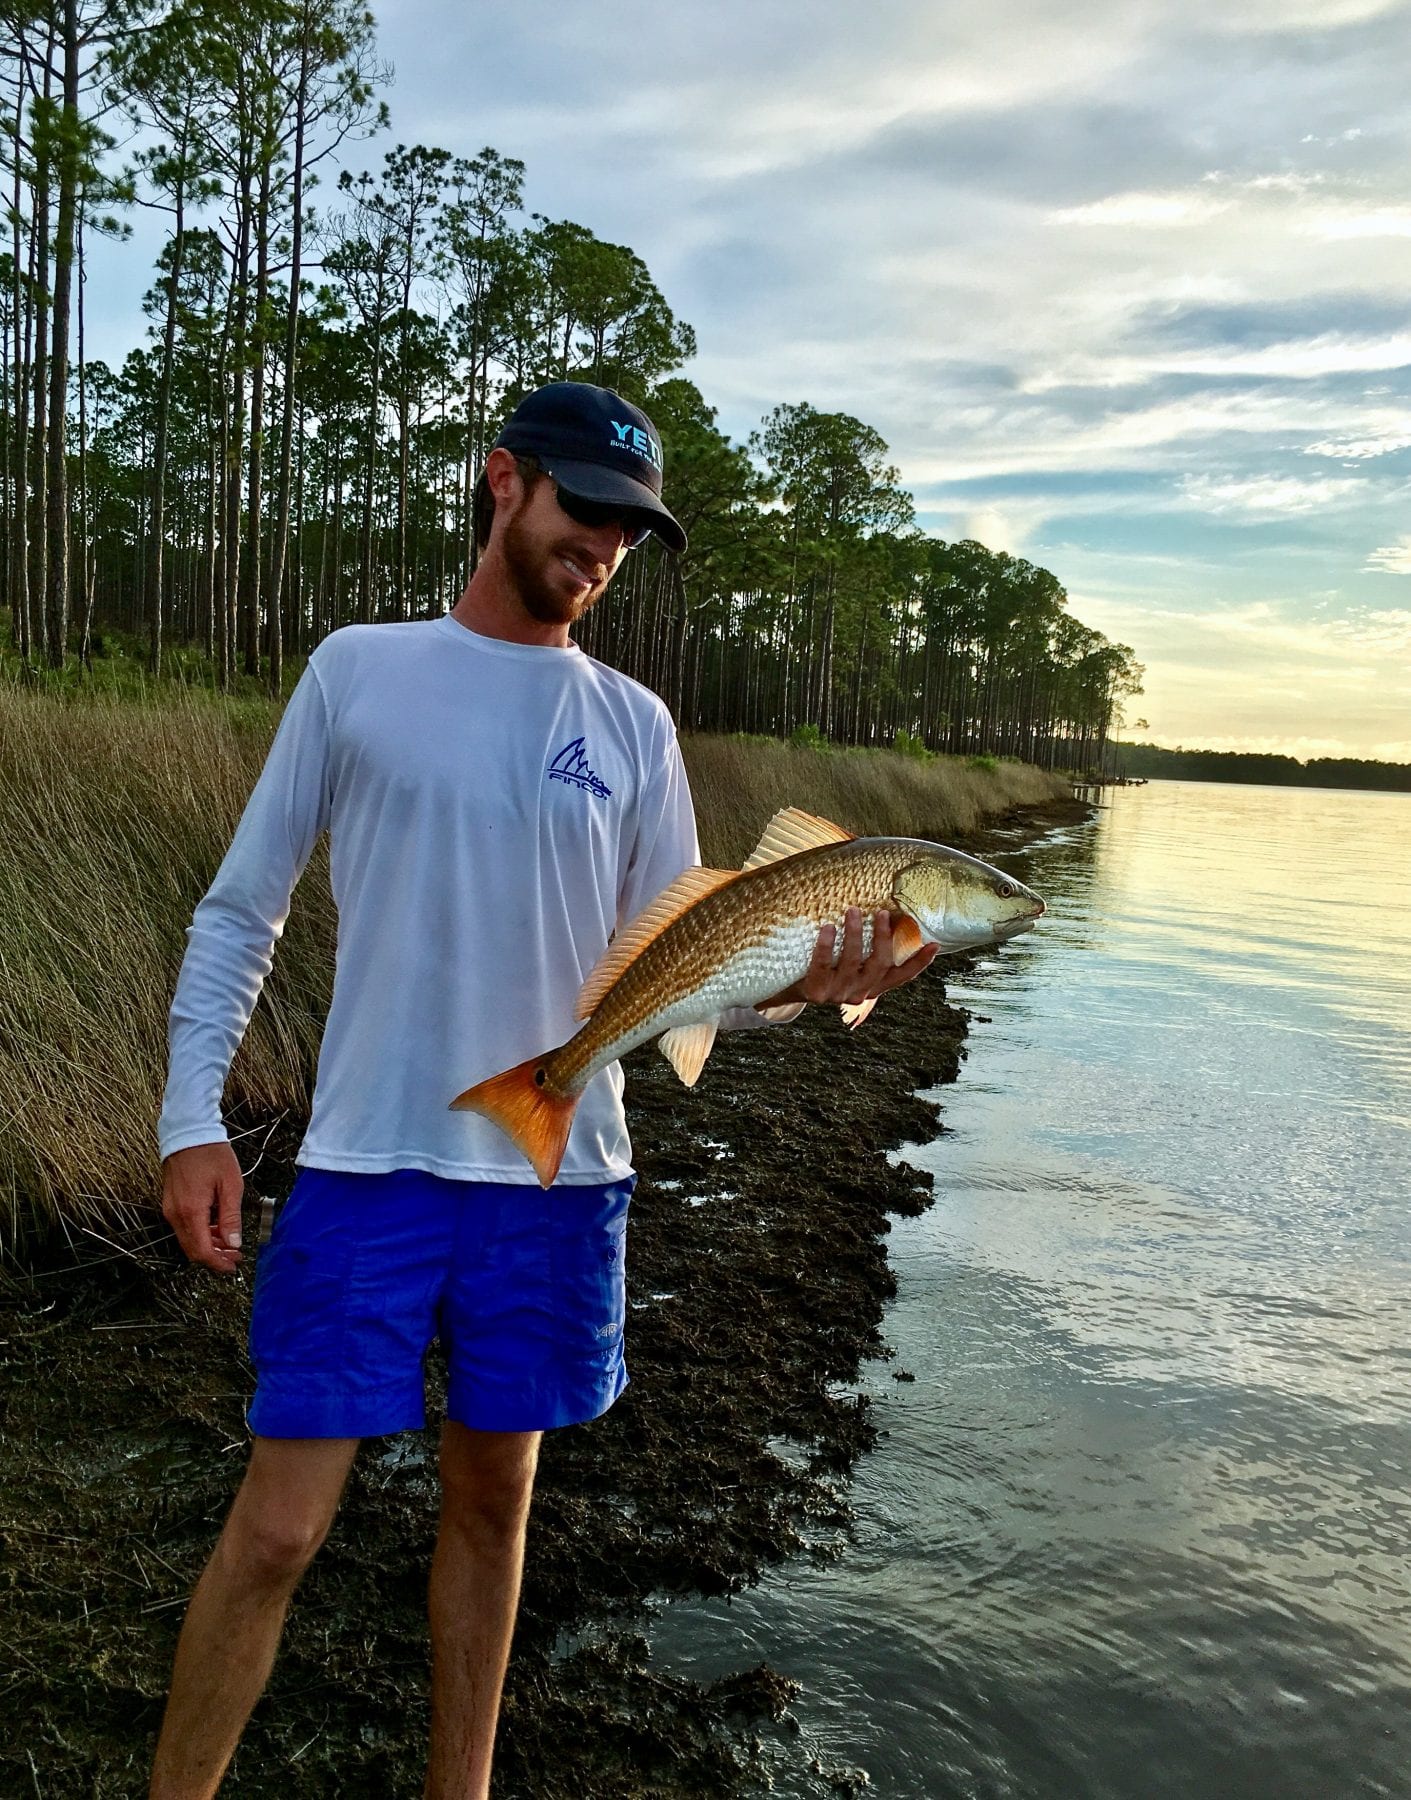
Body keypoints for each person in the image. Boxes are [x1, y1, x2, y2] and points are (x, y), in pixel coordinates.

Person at [150, 381, 937, 1800]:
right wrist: (192, 1117)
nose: (604, 553)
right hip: (367, 1164)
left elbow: (683, 967)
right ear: (504, 483)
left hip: (557, 1179)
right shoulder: (356, 670)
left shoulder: (635, 728)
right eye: (587, 514)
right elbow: (240, 911)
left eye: (631, 533)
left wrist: (811, 986)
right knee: (276, 1530)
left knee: (496, 1502)